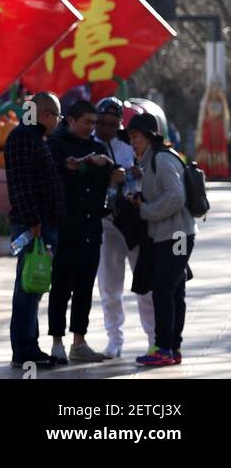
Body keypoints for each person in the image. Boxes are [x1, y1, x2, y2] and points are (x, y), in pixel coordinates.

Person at [44, 99, 124, 363]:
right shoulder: (56, 145)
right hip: (65, 229)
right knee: (61, 287)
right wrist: (84, 163)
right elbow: (55, 175)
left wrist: (111, 172)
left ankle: (79, 341)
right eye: (87, 122)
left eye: (94, 122)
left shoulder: (97, 147)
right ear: (71, 120)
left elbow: (107, 184)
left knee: (84, 288)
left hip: (92, 228)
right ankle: (57, 342)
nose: (92, 127)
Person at [127, 112, 196, 367]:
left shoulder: (162, 160)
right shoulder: (151, 160)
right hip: (170, 234)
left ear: (149, 136)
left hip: (176, 235)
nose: (132, 141)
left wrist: (146, 210)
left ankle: (164, 348)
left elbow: (176, 197)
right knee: (174, 291)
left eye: (136, 136)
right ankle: (172, 347)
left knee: (164, 289)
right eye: (131, 137)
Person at [4, 90, 65, 368]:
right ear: (46, 114)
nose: (58, 122)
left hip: (43, 224)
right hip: (33, 226)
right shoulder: (22, 138)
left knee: (35, 285)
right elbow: (21, 184)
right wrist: (33, 221)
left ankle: (30, 344)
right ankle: (25, 348)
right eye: (58, 116)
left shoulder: (35, 137)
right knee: (28, 286)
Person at [93, 96, 154, 358]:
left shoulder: (130, 145)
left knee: (144, 284)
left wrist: (135, 174)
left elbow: (148, 174)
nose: (106, 128)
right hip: (105, 223)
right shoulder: (90, 145)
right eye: (101, 123)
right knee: (109, 286)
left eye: (112, 123)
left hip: (133, 222)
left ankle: (154, 338)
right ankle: (114, 339)